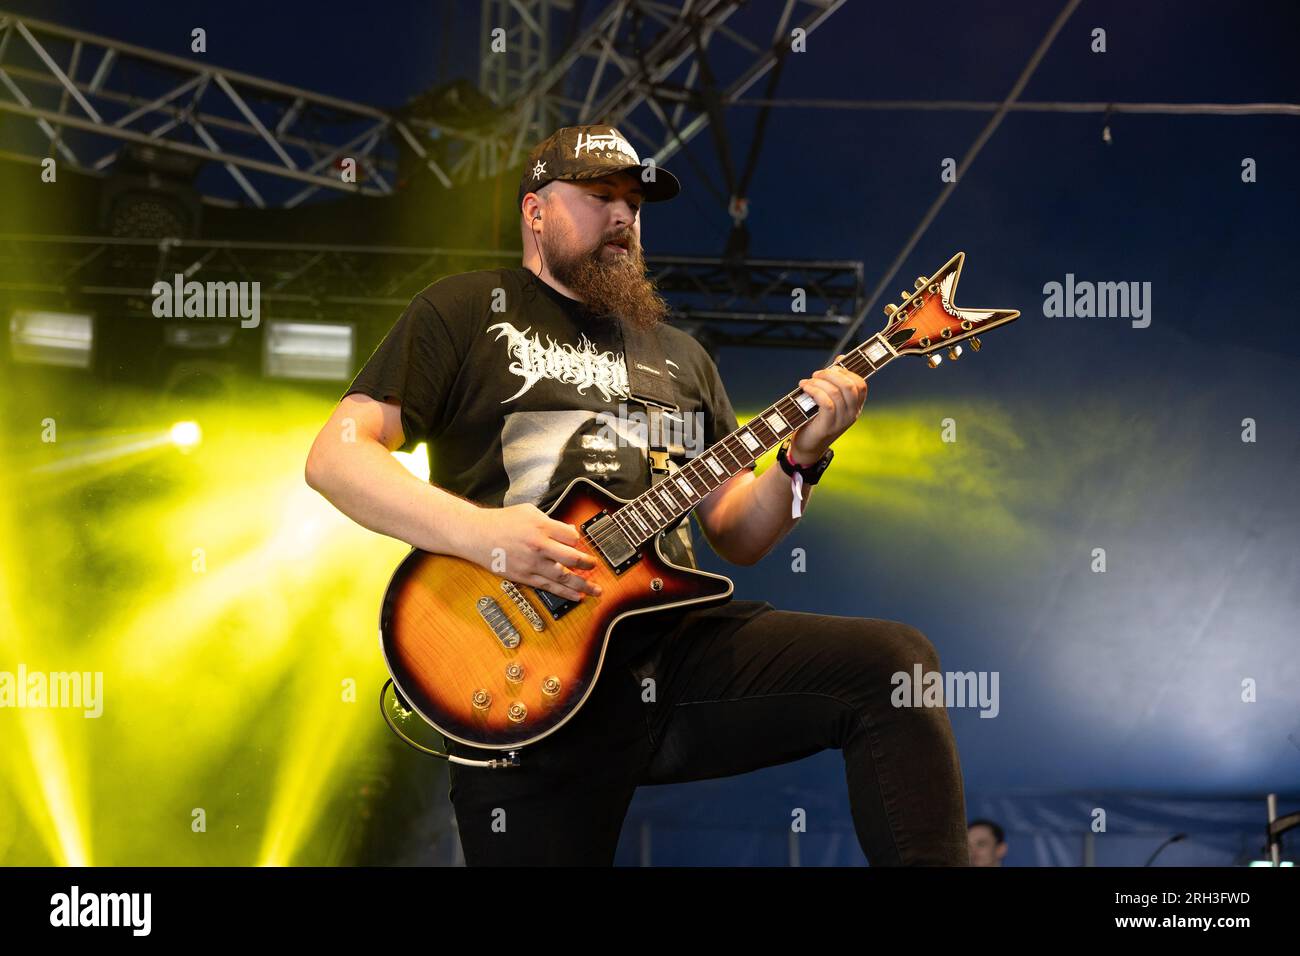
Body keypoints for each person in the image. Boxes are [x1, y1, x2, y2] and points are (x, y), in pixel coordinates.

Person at [305, 124, 969, 866]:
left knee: (892, 666)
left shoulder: (681, 356)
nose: (623, 216)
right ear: (534, 211)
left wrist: (802, 460)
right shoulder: (462, 311)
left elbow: (736, 534)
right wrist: (487, 536)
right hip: (524, 672)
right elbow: (337, 458)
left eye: (634, 202)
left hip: (674, 653)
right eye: (600, 197)